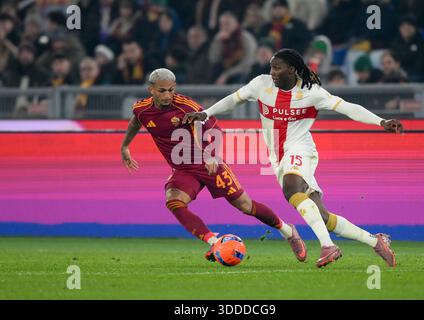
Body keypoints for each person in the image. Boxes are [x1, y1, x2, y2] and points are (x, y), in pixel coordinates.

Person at [183, 49, 403, 268]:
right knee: (322, 216)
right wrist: (206, 113)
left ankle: (328, 246)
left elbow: (348, 108)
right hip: (277, 157)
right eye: (271, 67)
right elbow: (234, 99)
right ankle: (375, 241)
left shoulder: (312, 92)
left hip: (300, 148)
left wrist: (381, 121)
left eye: (277, 67)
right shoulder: (261, 84)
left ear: (292, 69)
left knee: (291, 190)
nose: (273, 72)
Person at [121, 68, 306, 264]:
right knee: (173, 201)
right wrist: (125, 146)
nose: (167, 95)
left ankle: (288, 231)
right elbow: (136, 122)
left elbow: (215, 128)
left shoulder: (186, 106)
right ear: (151, 89)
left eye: (171, 90)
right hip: (183, 169)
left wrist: (211, 155)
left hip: (209, 164)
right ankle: (214, 241)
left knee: (246, 206)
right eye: (162, 91)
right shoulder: (141, 109)